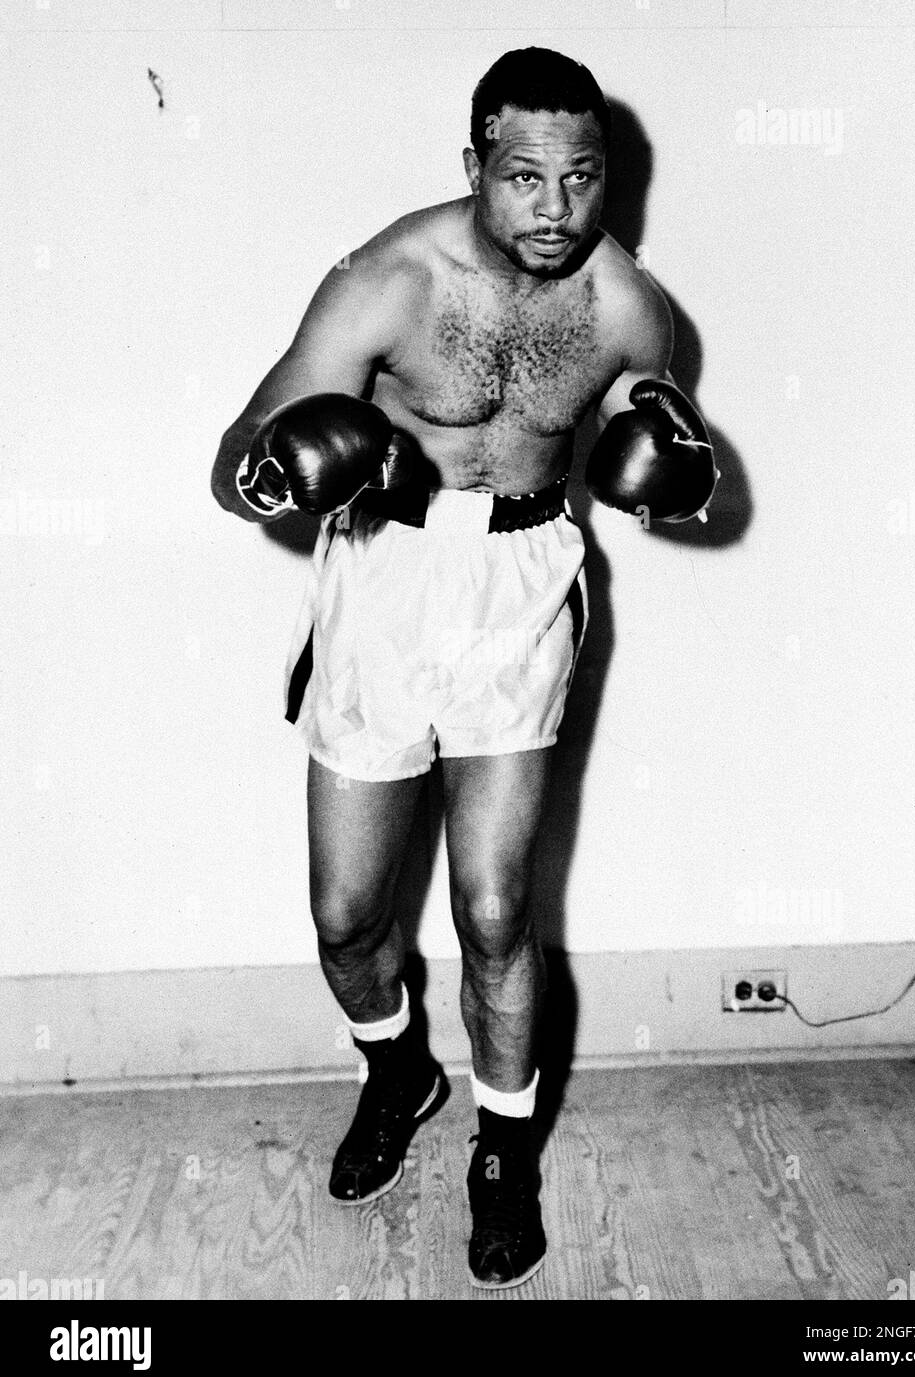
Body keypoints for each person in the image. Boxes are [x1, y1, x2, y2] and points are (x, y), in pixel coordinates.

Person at [210, 46, 716, 1290]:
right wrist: (281, 465)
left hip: (525, 578)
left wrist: (677, 460)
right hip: (384, 575)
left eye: (581, 177)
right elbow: (234, 460)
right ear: (476, 166)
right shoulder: (385, 280)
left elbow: (662, 435)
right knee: (346, 917)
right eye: (525, 175)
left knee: (496, 908)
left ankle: (504, 1150)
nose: (555, 208)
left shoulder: (627, 306)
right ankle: (397, 1069)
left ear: (609, 178)